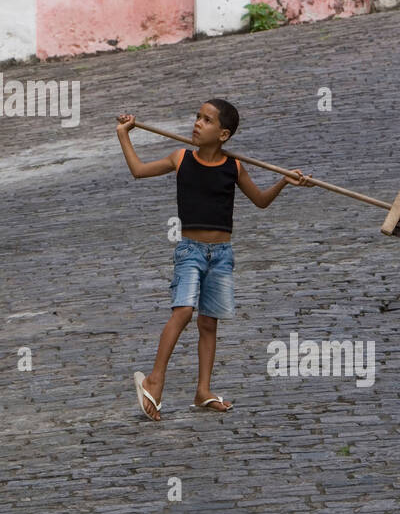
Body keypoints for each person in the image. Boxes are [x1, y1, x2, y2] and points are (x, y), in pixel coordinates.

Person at [116, 99, 311, 421]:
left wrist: (283, 182)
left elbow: (260, 201)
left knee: (209, 323)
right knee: (183, 311)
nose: (197, 123)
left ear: (223, 134)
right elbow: (138, 171)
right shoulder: (180, 158)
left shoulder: (233, 167)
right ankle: (154, 378)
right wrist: (124, 133)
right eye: (197, 117)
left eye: (206, 121)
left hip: (222, 255)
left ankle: (202, 391)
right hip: (190, 250)